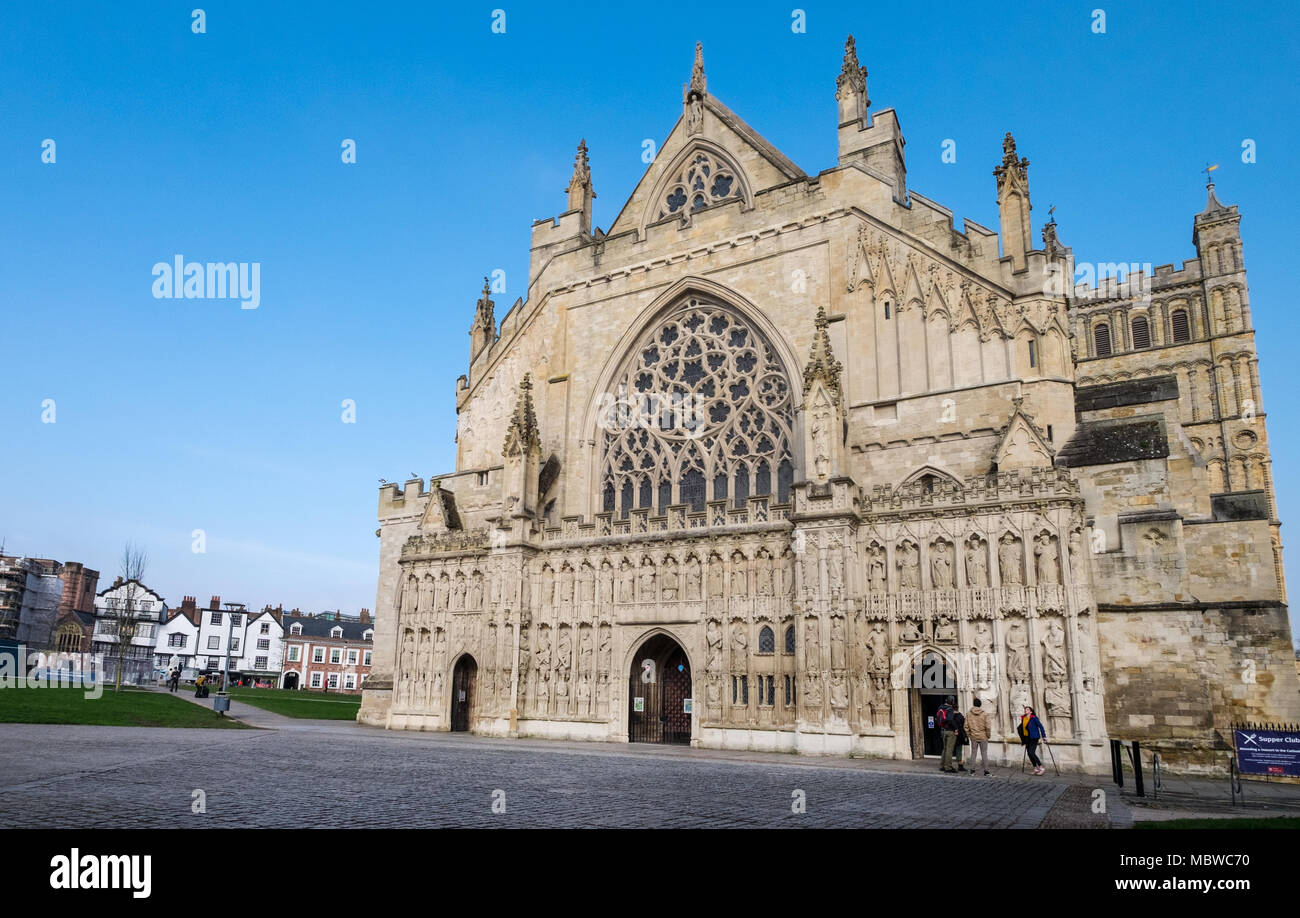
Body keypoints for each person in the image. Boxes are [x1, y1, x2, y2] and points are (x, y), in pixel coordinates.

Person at [965, 697, 992, 775]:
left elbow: (966, 726)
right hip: (983, 736)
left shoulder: (969, 714)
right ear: (980, 705)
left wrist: (969, 735)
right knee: (984, 753)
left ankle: (972, 770)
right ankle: (986, 771)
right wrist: (988, 735)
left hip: (973, 736)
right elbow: (988, 726)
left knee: (973, 753)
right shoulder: (985, 714)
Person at [1019, 704, 1047, 775]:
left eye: (1027, 709)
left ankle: (1041, 767)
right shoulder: (1023, 718)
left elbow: (1041, 727)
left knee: (1032, 752)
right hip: (1027, 738)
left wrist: (1044, 736)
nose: (1026, 710)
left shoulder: (1034, 718)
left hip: (1034, 737)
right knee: (1029, 753)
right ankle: (1036, 768)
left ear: (1031, 711)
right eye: (1025, 709)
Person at [936, 695, 959, 773]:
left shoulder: (940, 707)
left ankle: (942, 765)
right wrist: (955, 728)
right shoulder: (949, 709)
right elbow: (950, 719)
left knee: (945, 748)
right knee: (949, 749)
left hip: (943, 730)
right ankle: (948, 767)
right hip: (949, 731)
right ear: (952, 701)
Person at [953, 705, 969, 773]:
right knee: (959, 749)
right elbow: (964, 726)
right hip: (959, 735)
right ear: (958, 708)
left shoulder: (950, 716)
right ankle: (960, 765)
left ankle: (947, 765)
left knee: (949, 749)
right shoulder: (960, 716)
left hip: (952, 734)